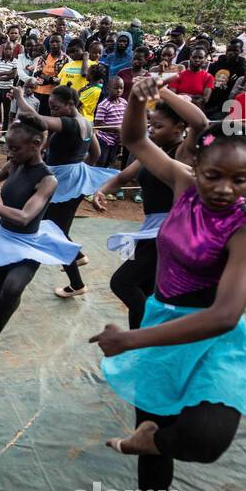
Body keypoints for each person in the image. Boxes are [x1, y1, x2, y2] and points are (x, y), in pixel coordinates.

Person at [92, 75, 246, 491]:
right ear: (197, 168)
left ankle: (152, 439)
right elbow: (135, 140)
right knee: (153, 452)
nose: (225, 189)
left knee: (204, 442)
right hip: (164, 326)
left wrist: (132, 338)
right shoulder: (182, 187)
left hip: (210, 339)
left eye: (240, 181)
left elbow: (225, 317)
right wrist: (139, 102)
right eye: (214, 176)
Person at [0, 116, 81, 400]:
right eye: (7, 147)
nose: (9, 153)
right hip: (3, 242)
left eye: (15, 148)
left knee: (12, 288)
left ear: (37, 144)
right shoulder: (14, 164)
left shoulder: (48, 180)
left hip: (29, 244)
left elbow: (24, 218)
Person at [93, 83, 208, 328]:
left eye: (158, 126)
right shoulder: (153, 152)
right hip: (151, 227)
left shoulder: (183, 153)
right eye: (150, 125)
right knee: (144, 289)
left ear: (179, 128)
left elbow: (200, 123)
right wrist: (101, 191)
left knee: (123, 283)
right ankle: (139, 343)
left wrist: (162, 90)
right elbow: (123, 177)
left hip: (171, 230)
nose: (151, 130)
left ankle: (160, 329)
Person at [12, 84, 117, 297]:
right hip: (75, 177)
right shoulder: (86, 123)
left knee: (55, 232)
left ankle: (77, 283)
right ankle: (77, 255)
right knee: (57, 227)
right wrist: (77, 166)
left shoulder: (69, 124)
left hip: (65, 181)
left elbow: (33, 118)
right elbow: (94, 154)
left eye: (56, 107)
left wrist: (19, 96)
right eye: (50, 107)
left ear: (71, 104)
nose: (53, 111)